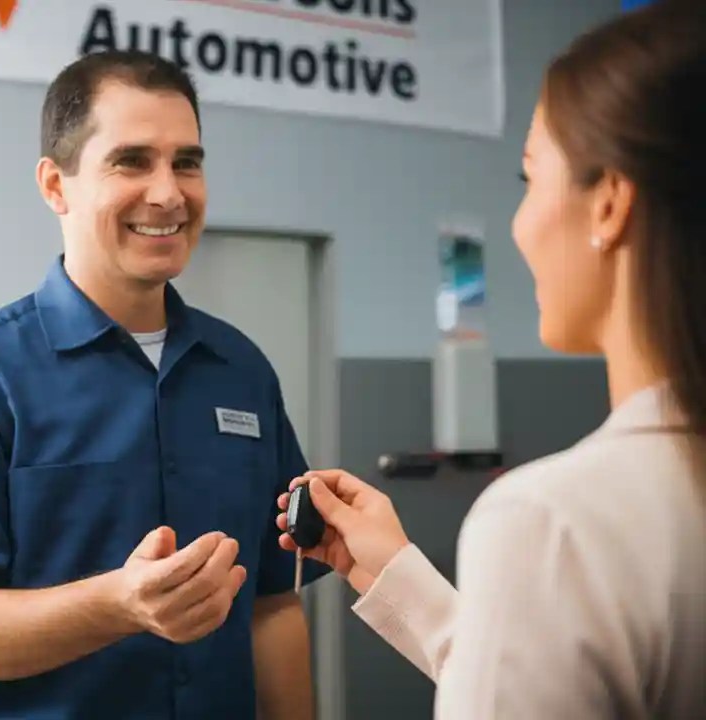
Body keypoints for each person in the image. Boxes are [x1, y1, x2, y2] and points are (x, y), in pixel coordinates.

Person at [277, 2, 706, 718]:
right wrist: (401, 578)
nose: (520, 224)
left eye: (529, 179)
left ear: (609, 205)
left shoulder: (548, 523)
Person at [0, 49, 329, 719]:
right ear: (56, 186)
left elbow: (272, 603)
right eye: (132, 160)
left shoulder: (242, 372)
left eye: (187, 162)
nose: (169, 192)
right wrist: (119, 605)